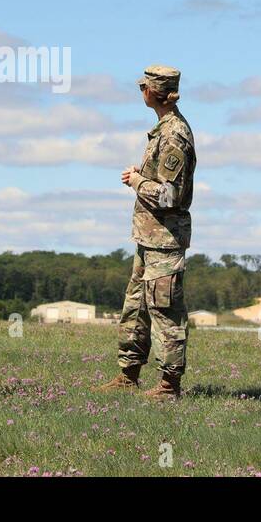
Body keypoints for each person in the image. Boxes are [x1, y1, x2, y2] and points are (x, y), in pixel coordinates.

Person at [97, 65, 196, 399]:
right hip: (149, 238)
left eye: (144, 86)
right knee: (136, 307)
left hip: (164, 241)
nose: (141, 91)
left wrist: (136, 181)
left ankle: (169, 386)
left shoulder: (173, 135)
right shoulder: (162, 130)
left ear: (154, 92)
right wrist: (145, 174)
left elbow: (170, 196)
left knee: (165, 311)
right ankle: (128, 375)